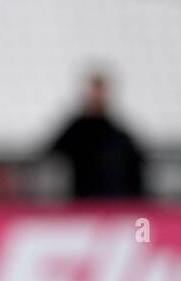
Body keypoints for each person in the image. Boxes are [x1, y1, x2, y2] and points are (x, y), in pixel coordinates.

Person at [47, 72, 144, 200]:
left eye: (100, 91)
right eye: (94, 90)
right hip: (82, 200)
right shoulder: (75, 129)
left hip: (113, 201)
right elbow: (52, 154)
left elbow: (135, 165)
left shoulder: (117, 132)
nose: (96, 96)